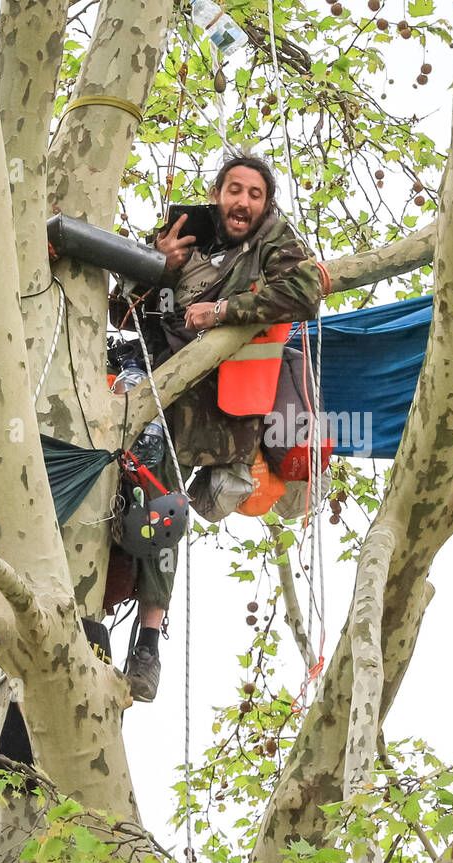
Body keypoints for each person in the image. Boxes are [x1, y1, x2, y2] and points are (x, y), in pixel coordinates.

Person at [118, 153, 324, 702]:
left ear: (266, 203)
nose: (243, 203)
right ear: (217, 193)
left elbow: (306, 291)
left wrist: (226, 309)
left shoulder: (276, 242)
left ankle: (149, 641)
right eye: (234, 191)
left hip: (216, 415)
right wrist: (154, 264)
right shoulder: (184, 231)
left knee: (164, 511)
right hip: (152, 394)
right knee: (131, 507)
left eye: (254, 194)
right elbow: (118, 310)